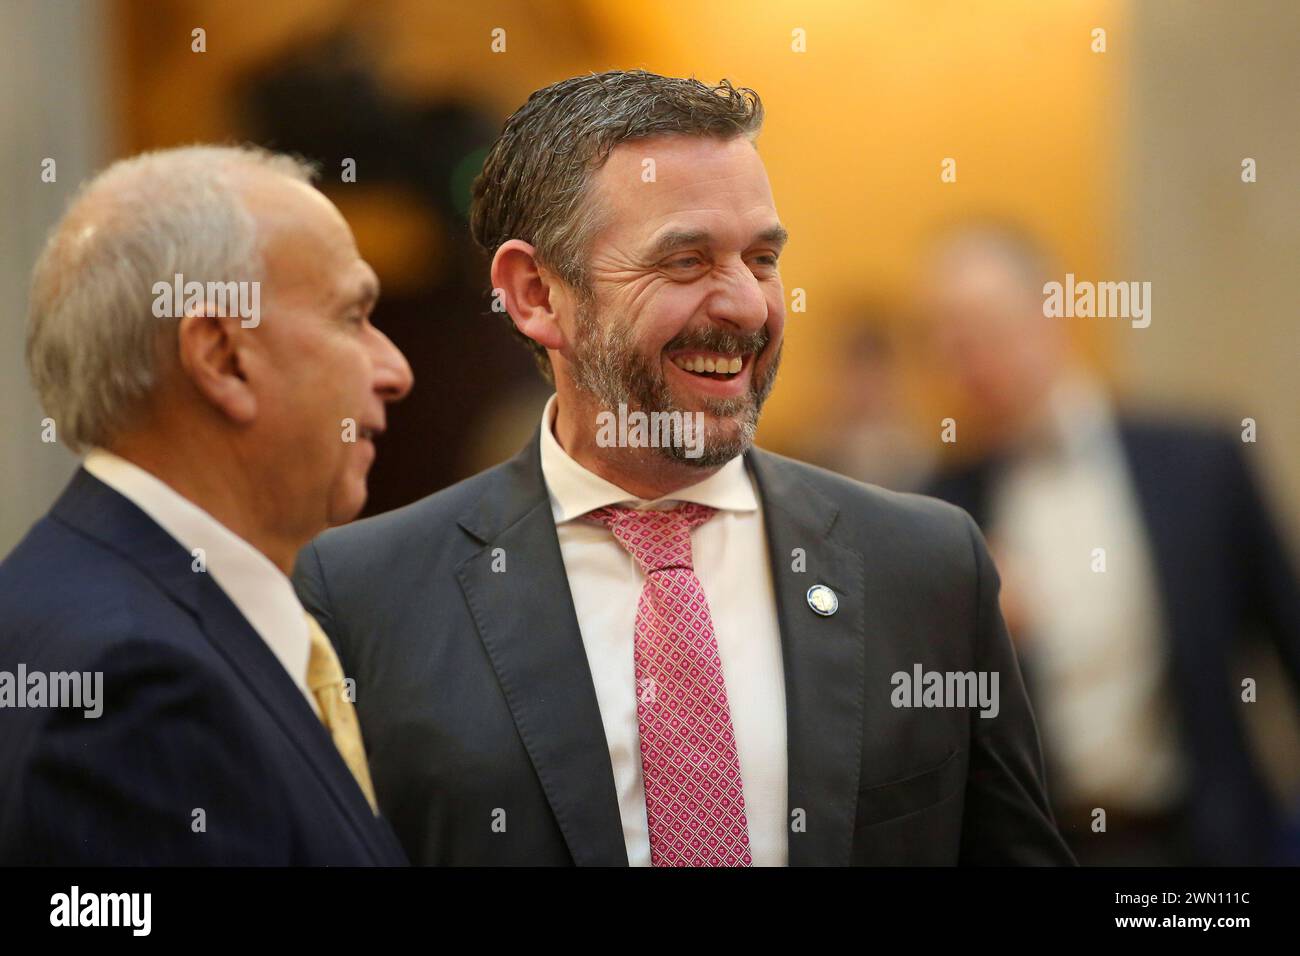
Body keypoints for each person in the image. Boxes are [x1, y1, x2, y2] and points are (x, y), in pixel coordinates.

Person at [294, 71, 1073, 866]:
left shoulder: (926, 568)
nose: (746, 305)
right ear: (534, 294)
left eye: (762, 258)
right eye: (686, 262)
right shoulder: (364, 598)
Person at [0, 146, 413, 864]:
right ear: (222, 357)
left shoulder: (81, 607)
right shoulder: (138, 688)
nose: (395, 371)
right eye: (353, 318)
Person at [919, 222, 1300, 865]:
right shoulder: (941, 505)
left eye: (985, 331)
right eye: (949, 343)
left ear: (1051, 316)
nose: (970, 362)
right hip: (1042, 848)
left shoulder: (1199, 463)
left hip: (1201, 843)